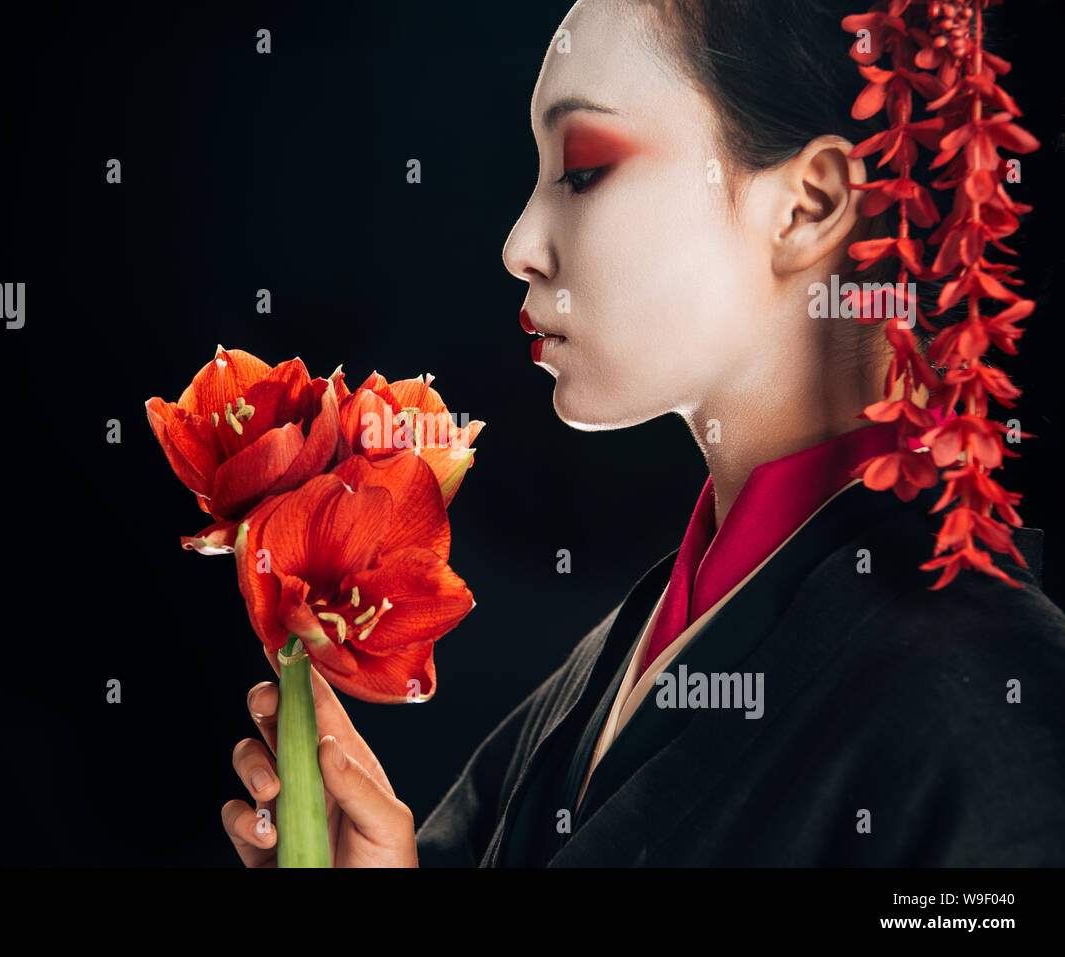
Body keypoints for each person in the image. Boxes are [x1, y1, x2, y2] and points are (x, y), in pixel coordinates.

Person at [220, 0, 1065, 867]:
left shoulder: (1001, 699)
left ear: (809, 206)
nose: (520, 243)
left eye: (583, 167)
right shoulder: (613, 665)